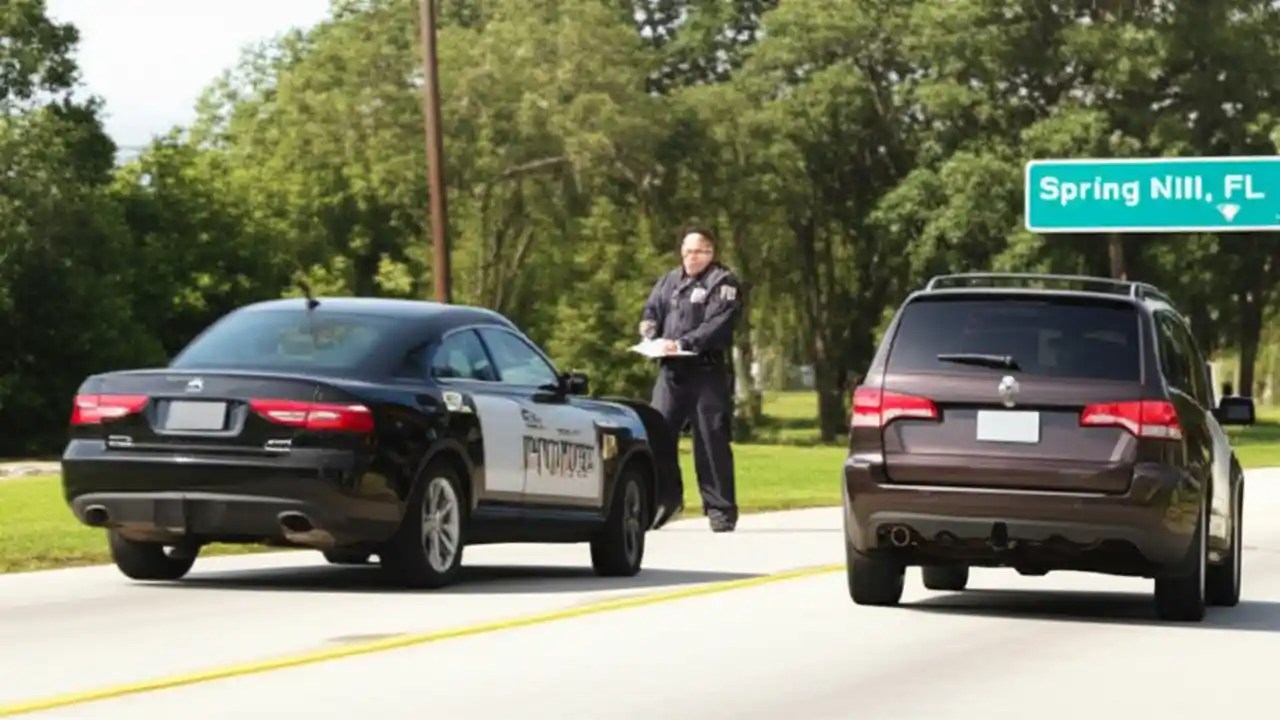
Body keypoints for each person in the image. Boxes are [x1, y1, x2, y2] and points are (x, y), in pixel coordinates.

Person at [639, 224, 742, 532]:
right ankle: (664, 503)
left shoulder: (723, 283)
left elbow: (718, 325)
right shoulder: (670, 280)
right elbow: (652, 308)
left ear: (711, 252)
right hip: (671, 371)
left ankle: (720, 511)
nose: (690, 257)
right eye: (686, 251)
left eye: (697, 251)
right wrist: (648, 325)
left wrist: (684, 343)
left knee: (710, 440)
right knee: (657, 435)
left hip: (705, 372)